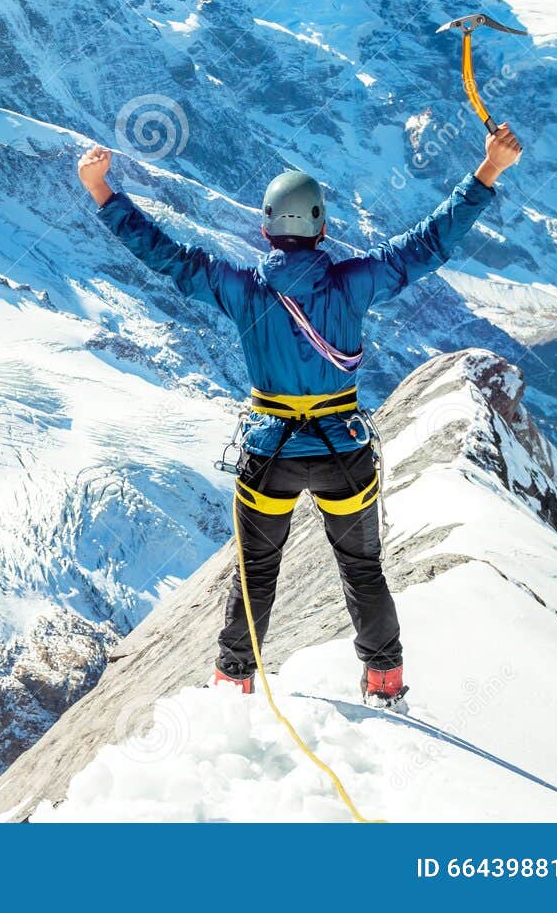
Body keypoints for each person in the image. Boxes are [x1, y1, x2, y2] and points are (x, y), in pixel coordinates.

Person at [76, 123, 523, 707]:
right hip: (344, 454)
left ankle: (233, 683)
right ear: (323, 227)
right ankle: (385, 680)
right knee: (361, 569)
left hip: (270, 458)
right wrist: (486, 172)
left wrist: (102, 191)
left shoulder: (240, 289)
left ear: (265, 230)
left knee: (255, 573)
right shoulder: (355, 281)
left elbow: (168, 257)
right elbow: (429, 243)